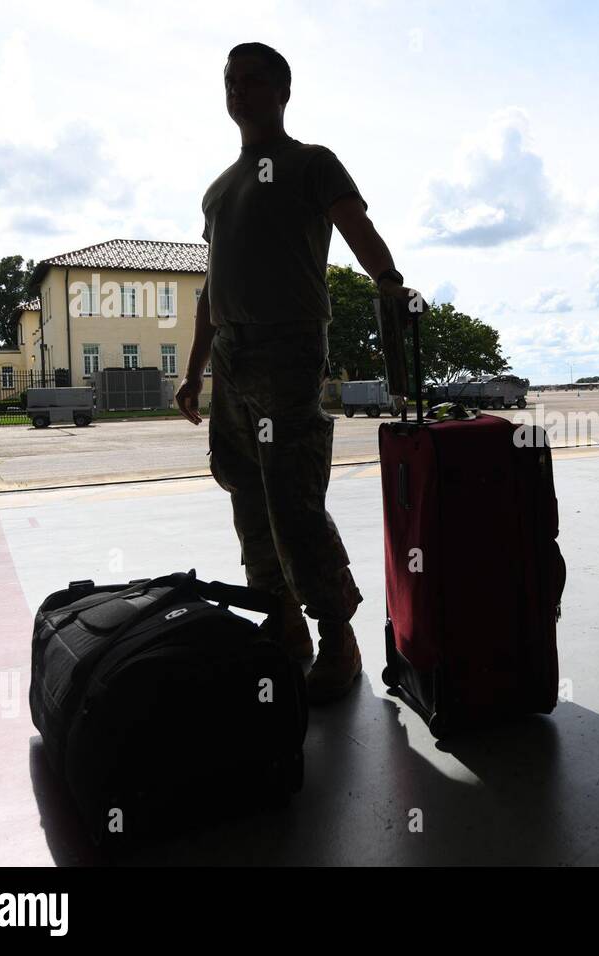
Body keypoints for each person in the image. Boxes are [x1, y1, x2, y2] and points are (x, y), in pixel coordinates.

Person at [176, 42, 423, 701]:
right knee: (246, 495)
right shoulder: (218, 192)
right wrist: (195, 371)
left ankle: (336, 637)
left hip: (288, 350)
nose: (241, 91)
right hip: (231, 357)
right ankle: (284, 624)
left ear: (284, 92)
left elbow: (355, 224)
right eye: (232, 81)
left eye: (255, 81)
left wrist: (390, 282)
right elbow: (211, 290)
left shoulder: (311, 164)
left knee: (292, 499)